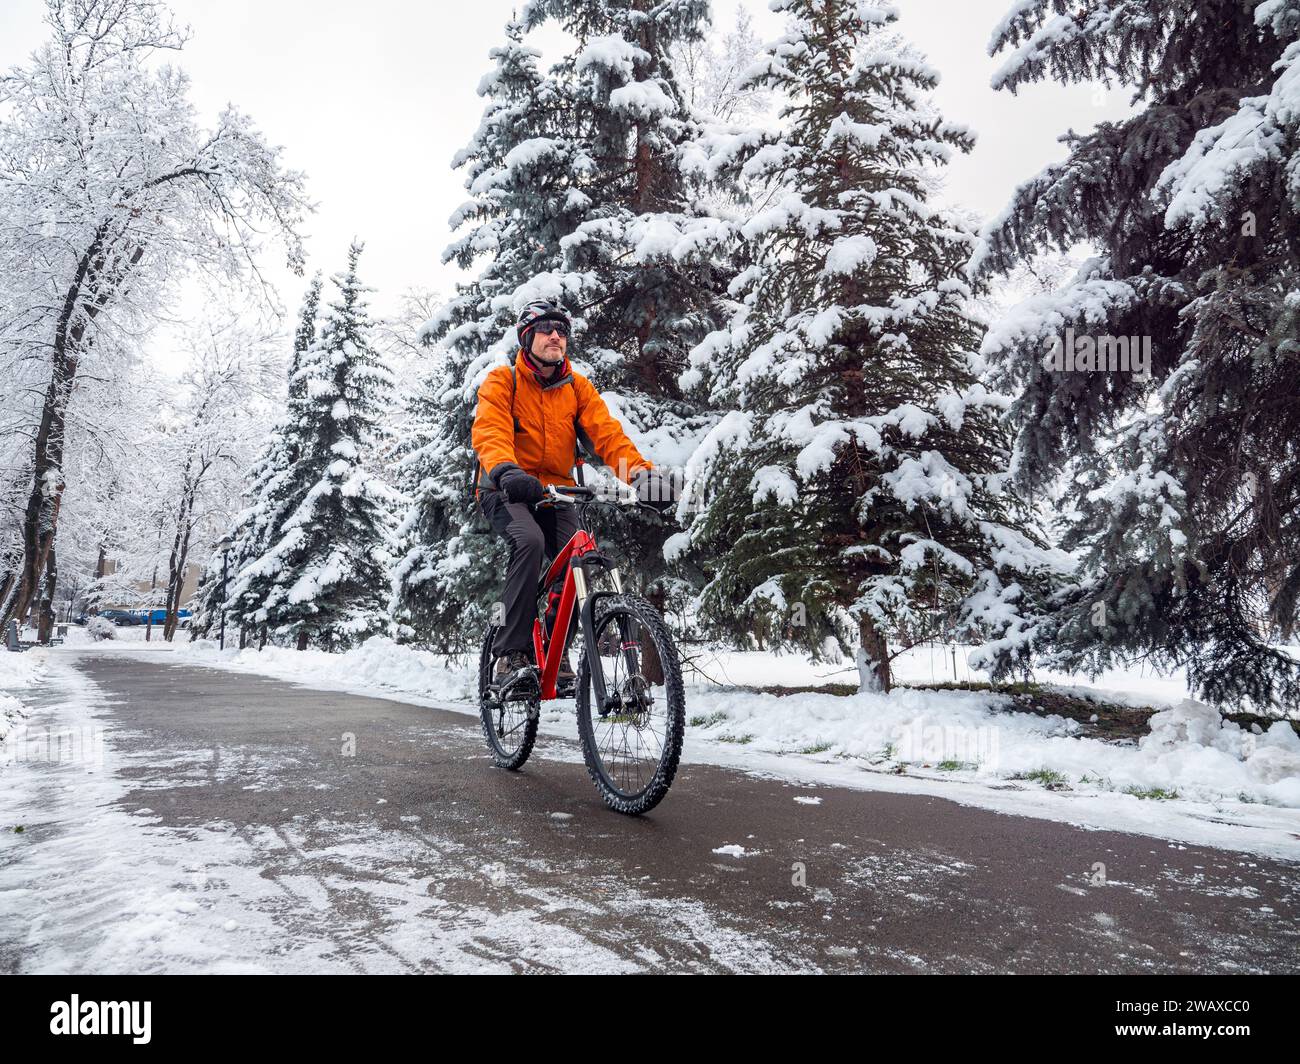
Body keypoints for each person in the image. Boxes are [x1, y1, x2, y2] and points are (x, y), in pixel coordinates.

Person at [472, 299, 677, 687]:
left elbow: (607, 436)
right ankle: (511, 653)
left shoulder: (577, 388)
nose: (556, 336)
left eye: (562, 331)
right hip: (505, 489)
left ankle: (554, 648)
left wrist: (641, 477)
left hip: (555, 493)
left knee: (577, 558)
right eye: (547, 330)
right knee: (529, 542)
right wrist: (506, 469)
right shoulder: (504, 381)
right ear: (527, 338)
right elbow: (490, 432)